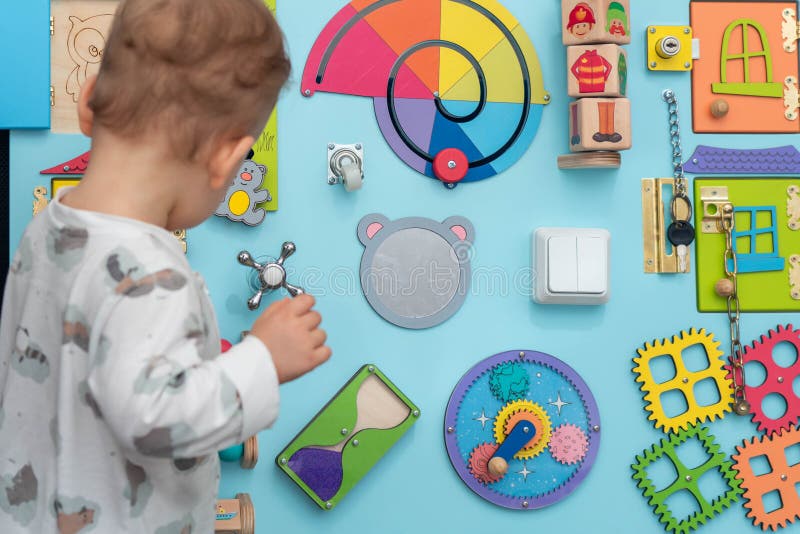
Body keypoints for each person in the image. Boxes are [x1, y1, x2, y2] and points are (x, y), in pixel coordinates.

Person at [0, 0, 331, 531]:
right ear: (229, 159)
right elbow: (154, 419)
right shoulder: (151, 276)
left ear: (88, 101)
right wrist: (263, 361)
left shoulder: (48, 230)